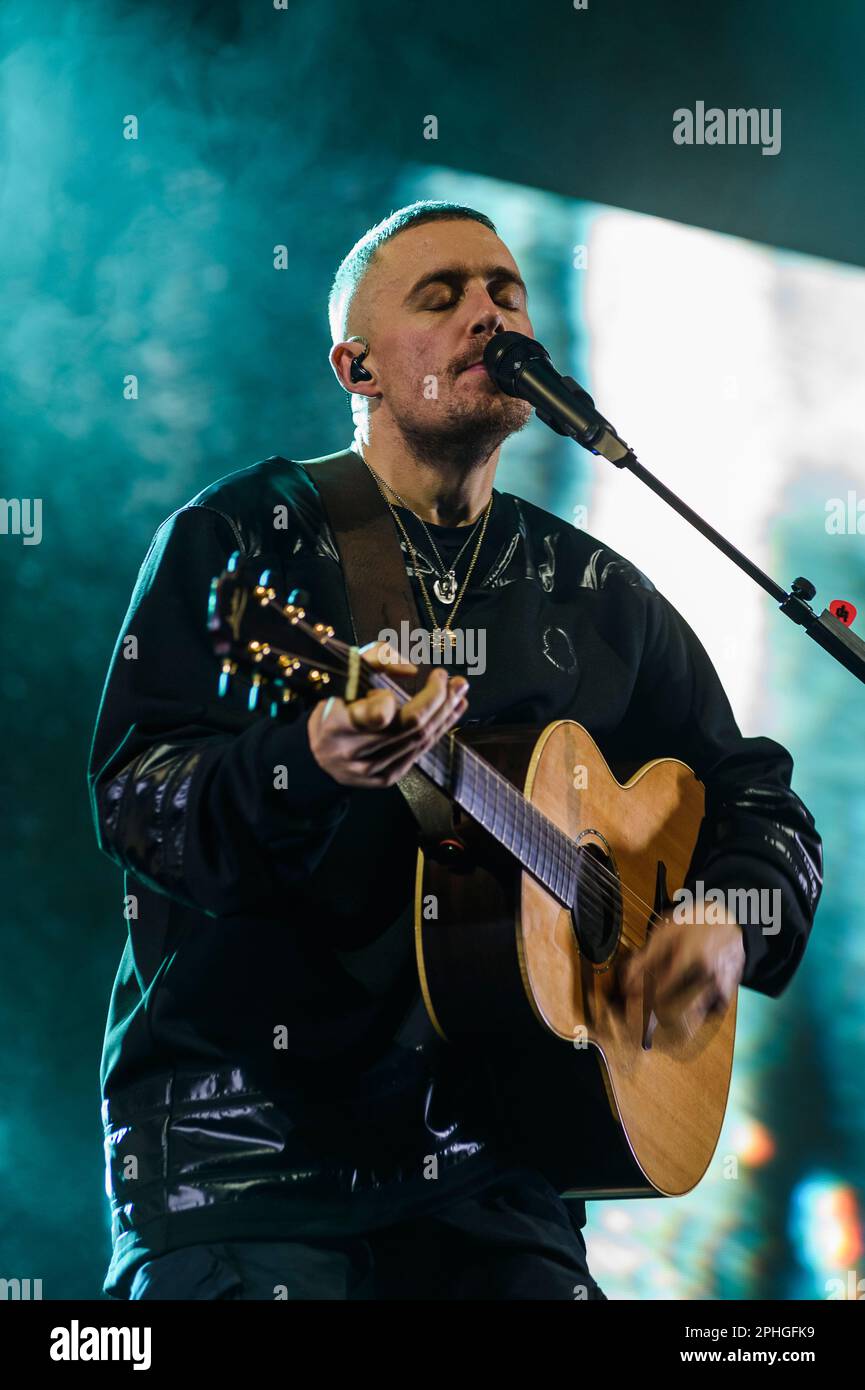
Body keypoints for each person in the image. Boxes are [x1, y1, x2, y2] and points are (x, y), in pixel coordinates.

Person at [88, 200, 823, 1301]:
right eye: (442, 296)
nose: (490, 311)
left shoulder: (594, 592)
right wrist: (306, 761)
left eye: (506, 291)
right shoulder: (245, 538)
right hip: (245, 1164)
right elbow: (138, 796)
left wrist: (721, 919)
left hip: (507, 1165)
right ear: (359, 366)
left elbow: (761, 803)